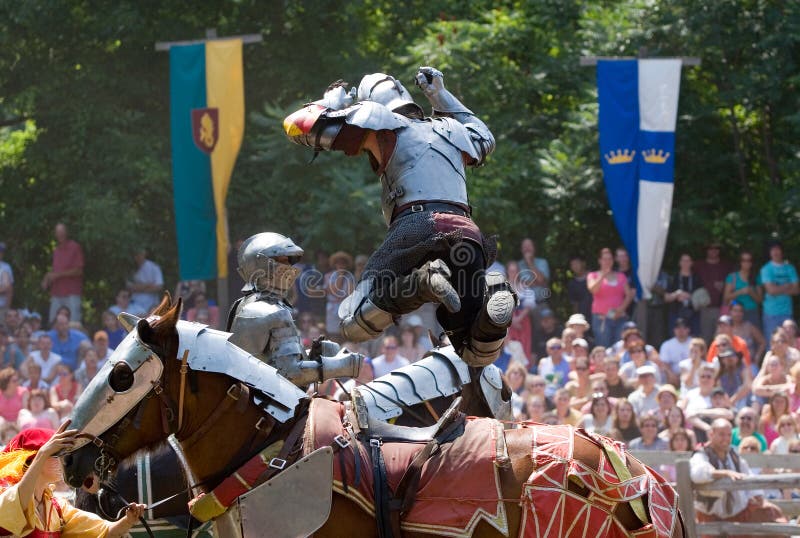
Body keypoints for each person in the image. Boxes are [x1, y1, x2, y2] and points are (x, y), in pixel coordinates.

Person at [285, 67, 515, 368]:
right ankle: (496, 293)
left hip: (415, 225)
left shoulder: (380, 122)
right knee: (475, 351)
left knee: (353, 321)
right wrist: (440, 94)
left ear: (371, 103)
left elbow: (296, 126)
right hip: (467, 233)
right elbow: (485, 137)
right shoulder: (452, 129)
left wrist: (332, 103)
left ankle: (423, 282)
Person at [226, 232, 361, 387]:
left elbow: (272, 361)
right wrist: (342, 365)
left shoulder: (254, 304)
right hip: (265, 398)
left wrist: (311, 356)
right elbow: (290, 374)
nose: (289, 268)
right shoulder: (265, 310)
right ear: (262, 264)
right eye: (282, 261)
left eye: (289, 261)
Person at [0, 425, 146, 536]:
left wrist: (128, 520)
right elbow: (20, 500)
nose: (62, 462)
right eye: (56, 455)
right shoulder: (6, 495)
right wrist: (43, 453)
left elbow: (105, 532)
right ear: (32, 459)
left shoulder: (57, 508)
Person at [690, 418, 786, 530]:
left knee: (773, 513)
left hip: (738, 513)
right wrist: (723, 473)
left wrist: (758, 495)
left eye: (729, 435)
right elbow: (697, 474)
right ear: (711, 434)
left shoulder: (733, 454)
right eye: (721, 434)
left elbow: (748, 474)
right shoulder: (701, 454)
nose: (726, 438)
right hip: (710, 516)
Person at [587, 247, 634, 348]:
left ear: (613, 260)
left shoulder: (621, 276)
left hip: (619, 317)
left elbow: (629, 295)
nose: (607, 261)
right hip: (602, 319)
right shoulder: (593, 275)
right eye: (604, 259)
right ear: (599, 261)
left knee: (620, 347)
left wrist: (621, 310)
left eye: (609, 259)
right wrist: (602, 276)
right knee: (604, 348)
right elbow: (593, 290)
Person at [40, 223, 84, 324]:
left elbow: (79, 270)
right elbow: (55, 272)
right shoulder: (56, 250)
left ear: (66, 232)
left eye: (62, 231)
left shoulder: (74, 247)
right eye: (58, 232)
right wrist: (47, 278)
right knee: (53, 323)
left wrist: (57, 275)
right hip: (56, 292)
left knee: (73, 323)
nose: (60, 234)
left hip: (71, 292)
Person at [694, 242, 734, 344]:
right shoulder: (698, 265)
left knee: (722, 337)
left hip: (722, 308)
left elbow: (732, 283)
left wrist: (724, 285)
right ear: (706, 250)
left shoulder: (726, 265)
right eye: (710, 248)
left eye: (716, 248)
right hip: (704, 308)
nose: (714, 250)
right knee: (705, 337)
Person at [759, 240, 799, 338]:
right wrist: (787, 286)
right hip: (771, 313)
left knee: (789, 341)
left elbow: (797, 290)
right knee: (772, 342)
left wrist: (777, 288)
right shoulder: (766, 269)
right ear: (769, 252)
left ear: (782, 251)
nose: (775, 252)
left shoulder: (790, 268)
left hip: (787, 312)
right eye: (773, 250)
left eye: (778, 249)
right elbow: (771, 291)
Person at [664, 252, 704, 335]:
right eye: (683, 261)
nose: (685, 263)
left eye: (688, 261)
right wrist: (677, 294)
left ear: (691, 263)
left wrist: (689, 296)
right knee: (675, 337)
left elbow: (703, 299)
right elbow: (666, 298)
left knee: (694, 338)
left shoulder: (697, 278)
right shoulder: (673, 278)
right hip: (675, 312)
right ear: (679, 263)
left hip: (693, 314)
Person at [723, 250, 763, 328]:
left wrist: (751, 292)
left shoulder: (756, 277)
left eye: (749, 260)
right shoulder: (732, 277)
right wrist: (740, 292)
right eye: (743, 260)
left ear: (752, 262)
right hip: (736, 312)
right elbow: (726, 297)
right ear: (740, 262)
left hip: (752, 312)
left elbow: (760, 300)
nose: (746, 263)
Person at [323, 251, 354, 339]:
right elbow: (334, 291)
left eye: (343, 263)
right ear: (335, 264)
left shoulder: (349, 277)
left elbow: (351, 294)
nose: (341, 265)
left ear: (346, 265)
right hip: (332, 308)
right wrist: (340, 276)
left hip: (345, 308)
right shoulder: (328, 276)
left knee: (345, 333)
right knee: (333, 334)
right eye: (338, 263)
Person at [126, 248, 164, 317]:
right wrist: (148, 285)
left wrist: (138, 288)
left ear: (144, 253)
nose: (137, 256)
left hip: (152, 304)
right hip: (135, 304)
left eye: (140, 254)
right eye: (136, 254)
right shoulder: (131, 269)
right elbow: (130, 288)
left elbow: (158, 287)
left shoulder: (154, 267)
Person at [728, 302, 766, 369]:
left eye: (740, 311)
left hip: (749, 364)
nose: (738, 314)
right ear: (730, 312)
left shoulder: (749, 327)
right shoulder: (726, 329)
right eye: (735, 311)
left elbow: (763, 342)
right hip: (731, 366)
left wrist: (757, 357)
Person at [658, 317, 691, 387]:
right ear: (674, 330)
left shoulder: (694, 343)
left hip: (690, 374)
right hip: (672, 376)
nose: (681, 330)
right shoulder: (667, 344)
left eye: (684, 328)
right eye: (678, 328)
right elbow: (664, 363)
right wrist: (672, 376)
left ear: (688, 329)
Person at [518, 238, 550, 305]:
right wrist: (538, 283)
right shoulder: (517, 265)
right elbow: (517, 285)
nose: (527, 248)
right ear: (521, 250)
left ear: (534, 248)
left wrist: (529, 262)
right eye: (525, 246)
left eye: (529, 245)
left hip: (541, 303)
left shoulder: (543, 262)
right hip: (523, 305)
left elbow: (542, 281)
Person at [566, 254, 593, 323]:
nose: (575, 266)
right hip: (583, 318)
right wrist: (577, 320)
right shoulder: (572, 284)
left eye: (577, 263)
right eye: (572, 265)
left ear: (583, 263)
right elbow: (575, 304)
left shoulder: (594, 276)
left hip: (597, 314)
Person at [0, 242, 14, 320]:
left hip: (2, 307)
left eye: (1, 252)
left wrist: (7, 308)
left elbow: (8, 289)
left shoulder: (6, 267)